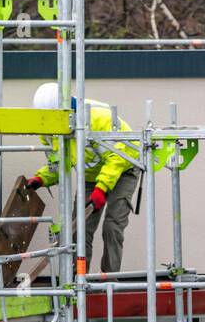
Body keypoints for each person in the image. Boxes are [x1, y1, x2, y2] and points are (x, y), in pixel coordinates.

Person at [26, 82, 141, 274]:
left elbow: (116, 158)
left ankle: (109, 280)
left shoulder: (96, 118)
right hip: (91, 176)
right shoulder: (50, 128)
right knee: (80, 229)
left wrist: (101, 188)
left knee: (112, 226)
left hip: (124, 169)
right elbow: (60, 162)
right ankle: (79, 280)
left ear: (64, 111)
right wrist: (42, 178)